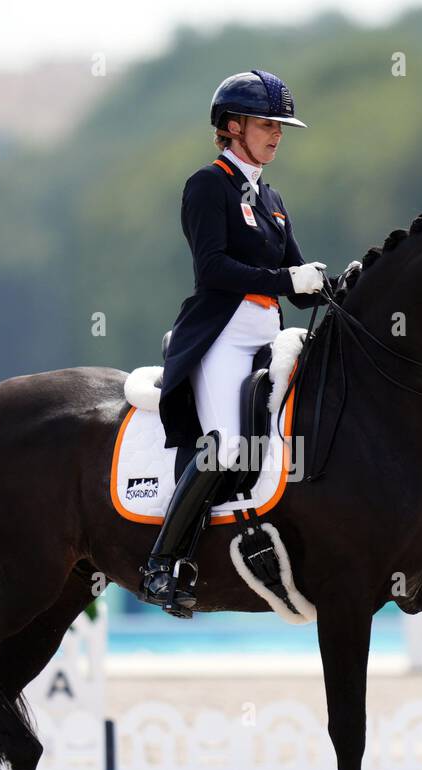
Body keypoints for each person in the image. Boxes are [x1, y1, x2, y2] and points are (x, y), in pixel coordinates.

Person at [139, 69, 329, 617]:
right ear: (232, 126)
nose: (276, 135)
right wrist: (287, 281)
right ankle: (162, 563)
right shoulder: (208, 185)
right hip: (223, 334)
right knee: (224, 447)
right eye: (267, 124)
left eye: (281, 126)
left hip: (268, 337)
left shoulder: (271, 197)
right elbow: (214, 269)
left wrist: (341, 286)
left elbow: (297, 284)